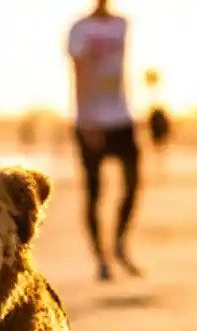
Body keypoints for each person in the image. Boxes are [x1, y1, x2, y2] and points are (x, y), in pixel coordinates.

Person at [68, 0, 141, 281]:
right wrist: (87, 120)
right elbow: (79, 74)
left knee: (133, 183)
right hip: (90, 120)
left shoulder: (122, 24)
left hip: (122, 117)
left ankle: (120, 242)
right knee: (94, 192)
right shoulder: (80, 29)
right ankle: (101, 257)